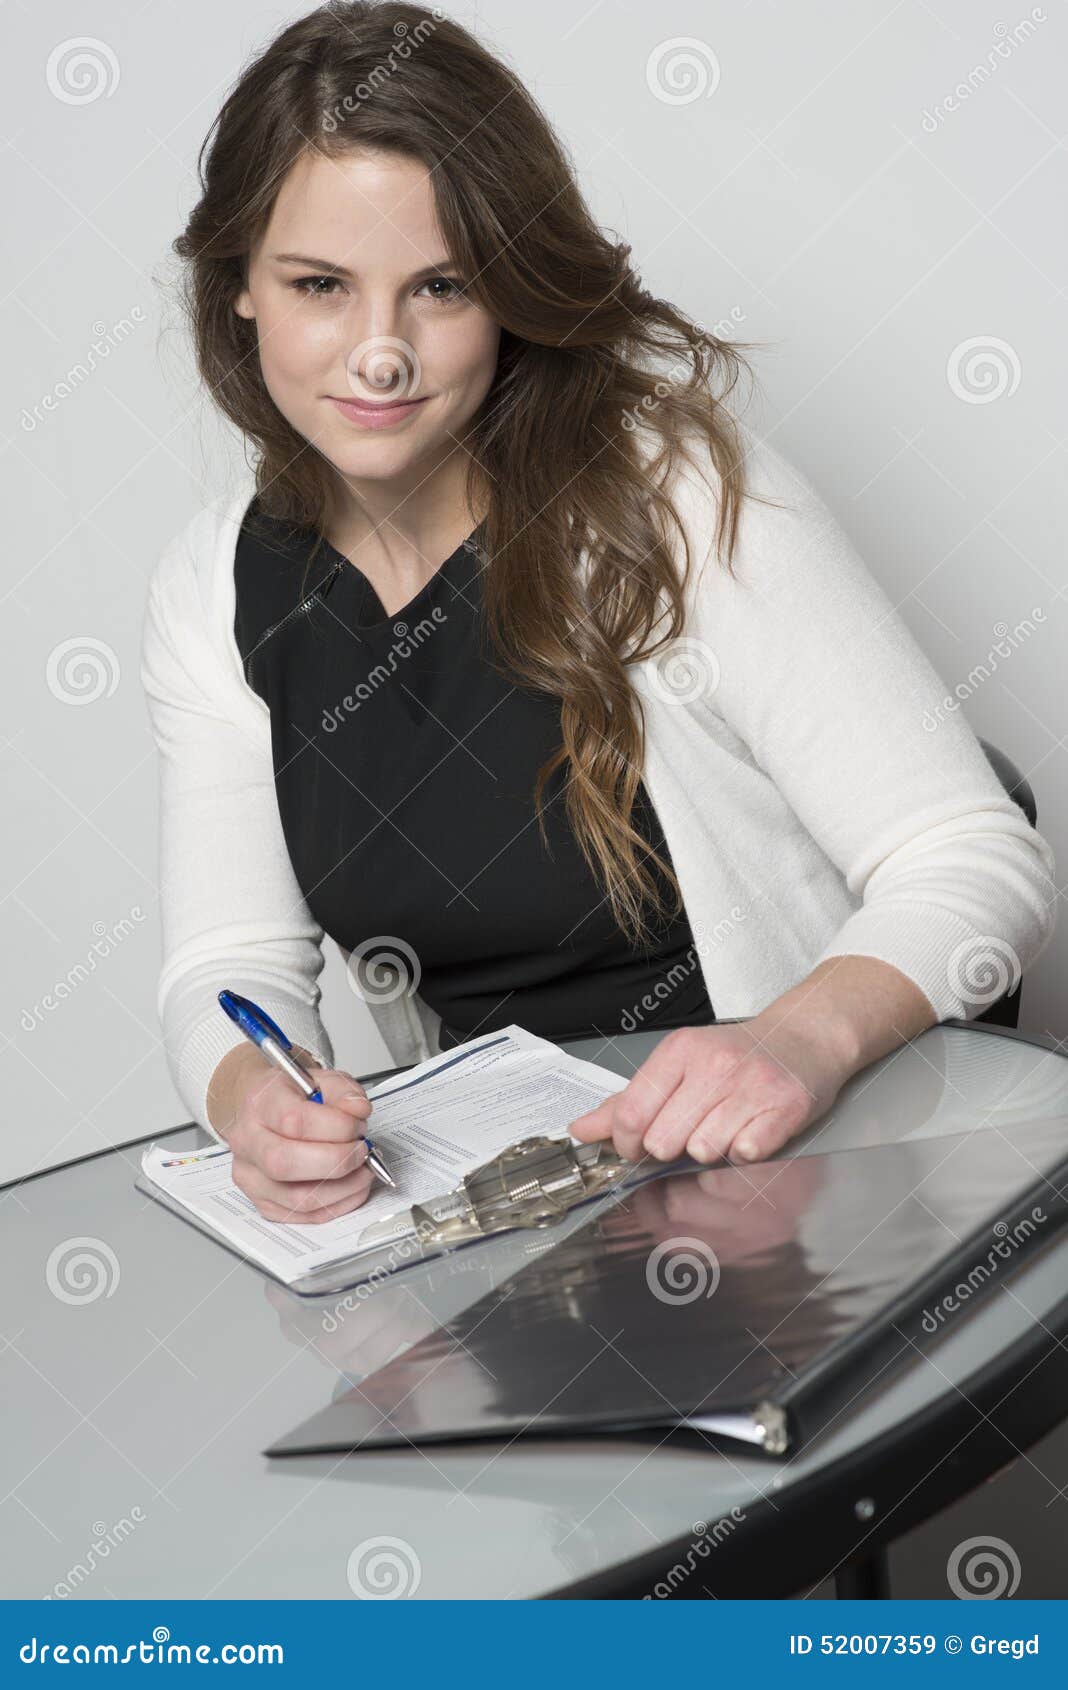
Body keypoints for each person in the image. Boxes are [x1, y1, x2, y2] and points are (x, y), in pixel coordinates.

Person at [141, 1, 1056, 1224]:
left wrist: (794, 1042)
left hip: (804, 1184)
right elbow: (231, 963)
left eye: (440, 287)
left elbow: (973, 854)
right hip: (529, 1211)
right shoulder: (217, 588)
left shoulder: (668, 493)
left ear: (512, 291)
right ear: (239, 287)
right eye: (319, 285)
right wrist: (253, 1094)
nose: (380, 355)